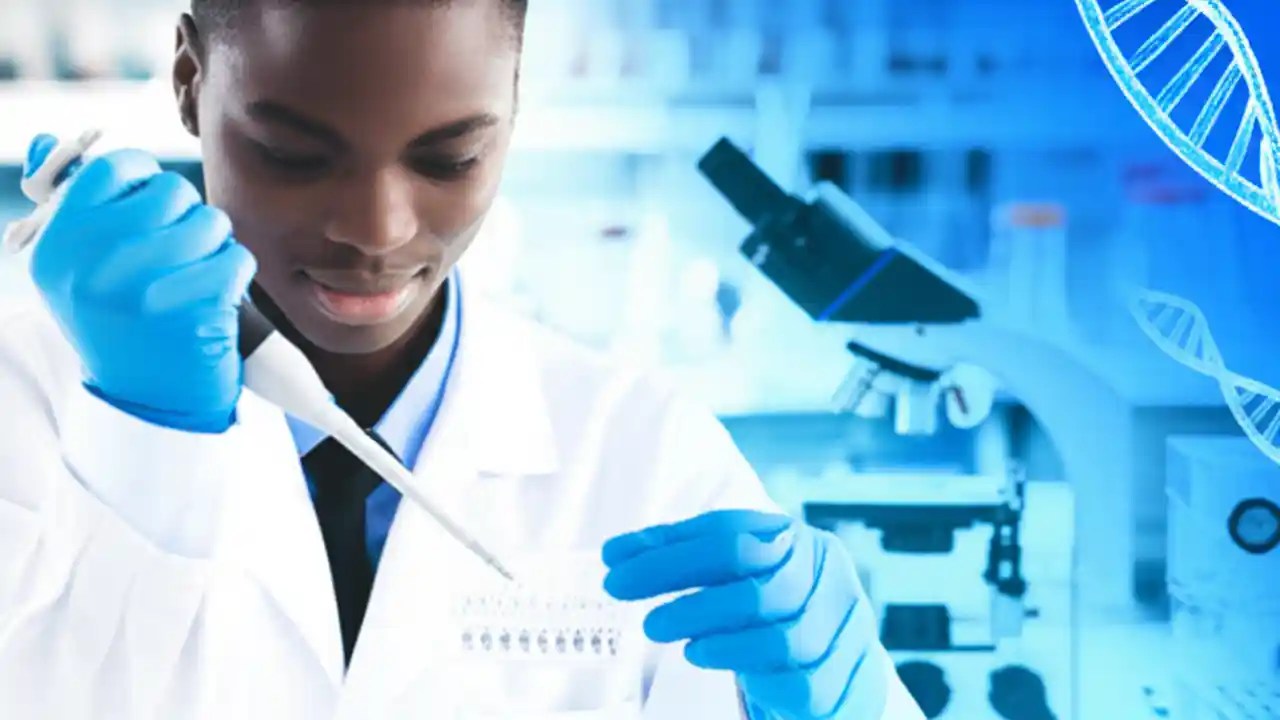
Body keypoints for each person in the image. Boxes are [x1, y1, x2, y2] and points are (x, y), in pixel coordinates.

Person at [0, 0, 924, 717]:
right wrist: (147, 444)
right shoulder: (23, 398)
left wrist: (855, 708)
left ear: (513, 103)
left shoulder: (643, 450)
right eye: (294, 154)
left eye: (447, 161)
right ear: (189, 80)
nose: (376, 231)